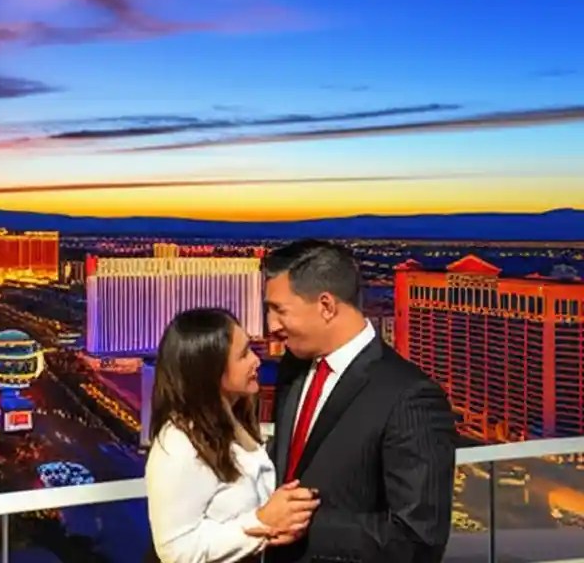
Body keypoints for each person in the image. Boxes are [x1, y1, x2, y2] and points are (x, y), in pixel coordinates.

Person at [261, 239, 457, 563]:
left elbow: (419, 538)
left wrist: (304, 526)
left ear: (326, 306)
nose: (271, 326)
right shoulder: (292, 368)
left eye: (279, 310)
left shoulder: (409, 397)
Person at [146, 307, 320, 563]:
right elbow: (176, 551)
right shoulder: (179, 445)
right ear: (211, 370)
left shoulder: (235, 422)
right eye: (243, 354)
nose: (256, 361)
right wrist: (261, 522)